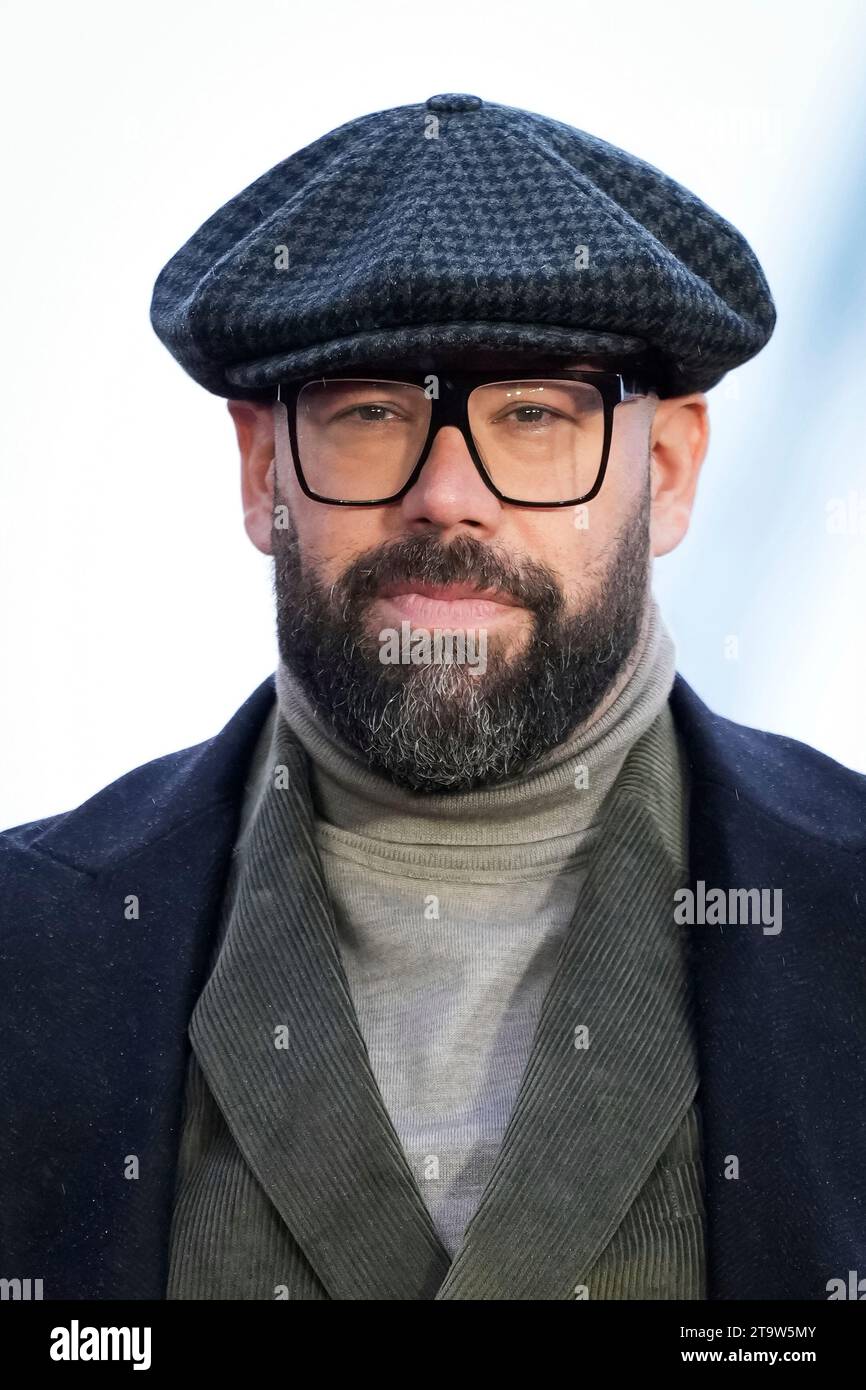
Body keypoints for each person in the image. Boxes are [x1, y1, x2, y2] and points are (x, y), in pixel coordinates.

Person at [2, 94, 864, 1302]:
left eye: (531, 415)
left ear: (664, 476)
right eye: (371, 414)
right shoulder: (24, 950)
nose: (447, 494)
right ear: (262, 474)